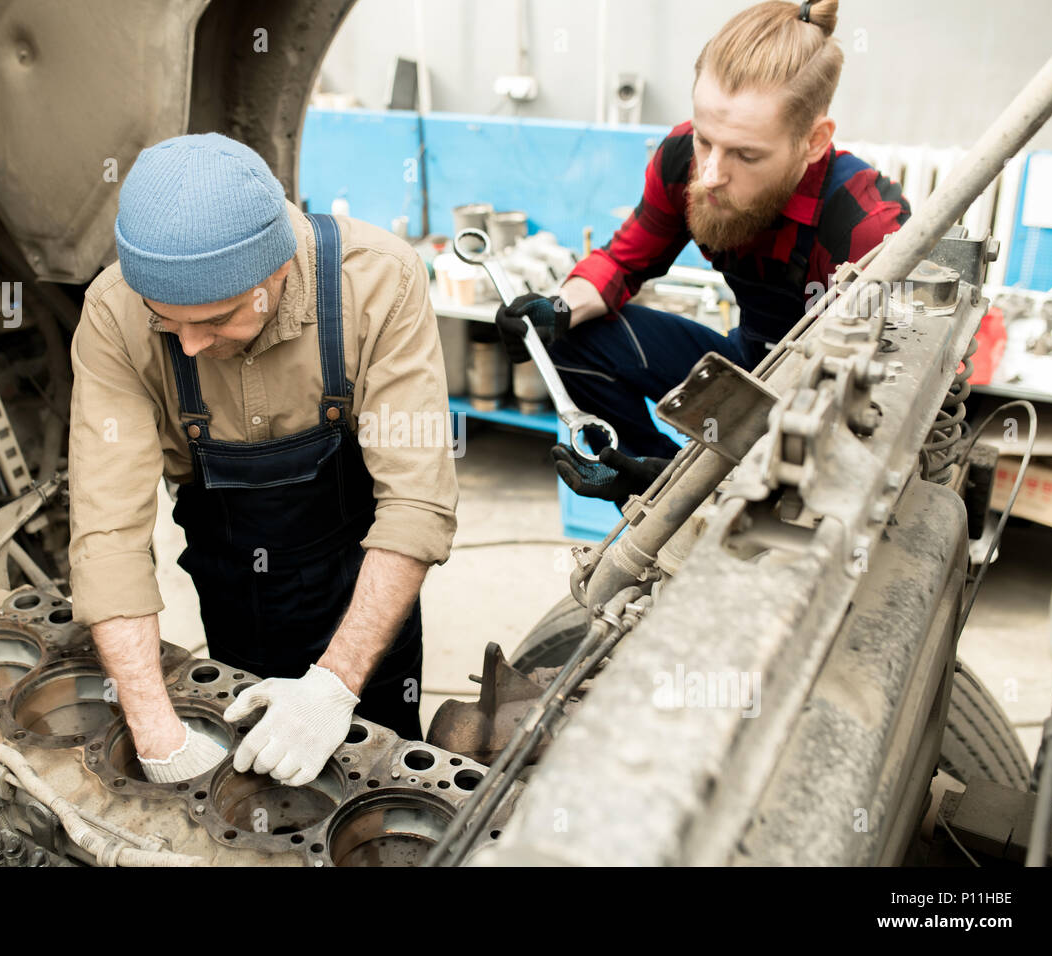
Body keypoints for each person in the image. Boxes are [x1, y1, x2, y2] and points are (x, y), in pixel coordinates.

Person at [68, 133, 458, 787]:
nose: (188, 347)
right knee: (256, 791)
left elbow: (416, 505)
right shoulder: (114, 316)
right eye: (169, 323)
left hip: (361, 589)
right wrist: (158, 736)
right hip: (235, 597)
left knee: (383, 791)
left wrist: (333, 688)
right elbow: (107, 539)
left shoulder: (377, 281)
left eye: (214, 320)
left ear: (274, 273)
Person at [495, 0, 909, 505]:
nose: (711, 174)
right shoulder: (680, 159)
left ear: (814, 141)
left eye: (746, 154)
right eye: (705, 140)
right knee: (570, 339)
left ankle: (697, 497)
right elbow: (623, 261)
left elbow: (887, 407)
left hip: (826, 411)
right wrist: (558, 309)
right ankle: (658, 489)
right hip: (747, 367)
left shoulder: (864, 225)